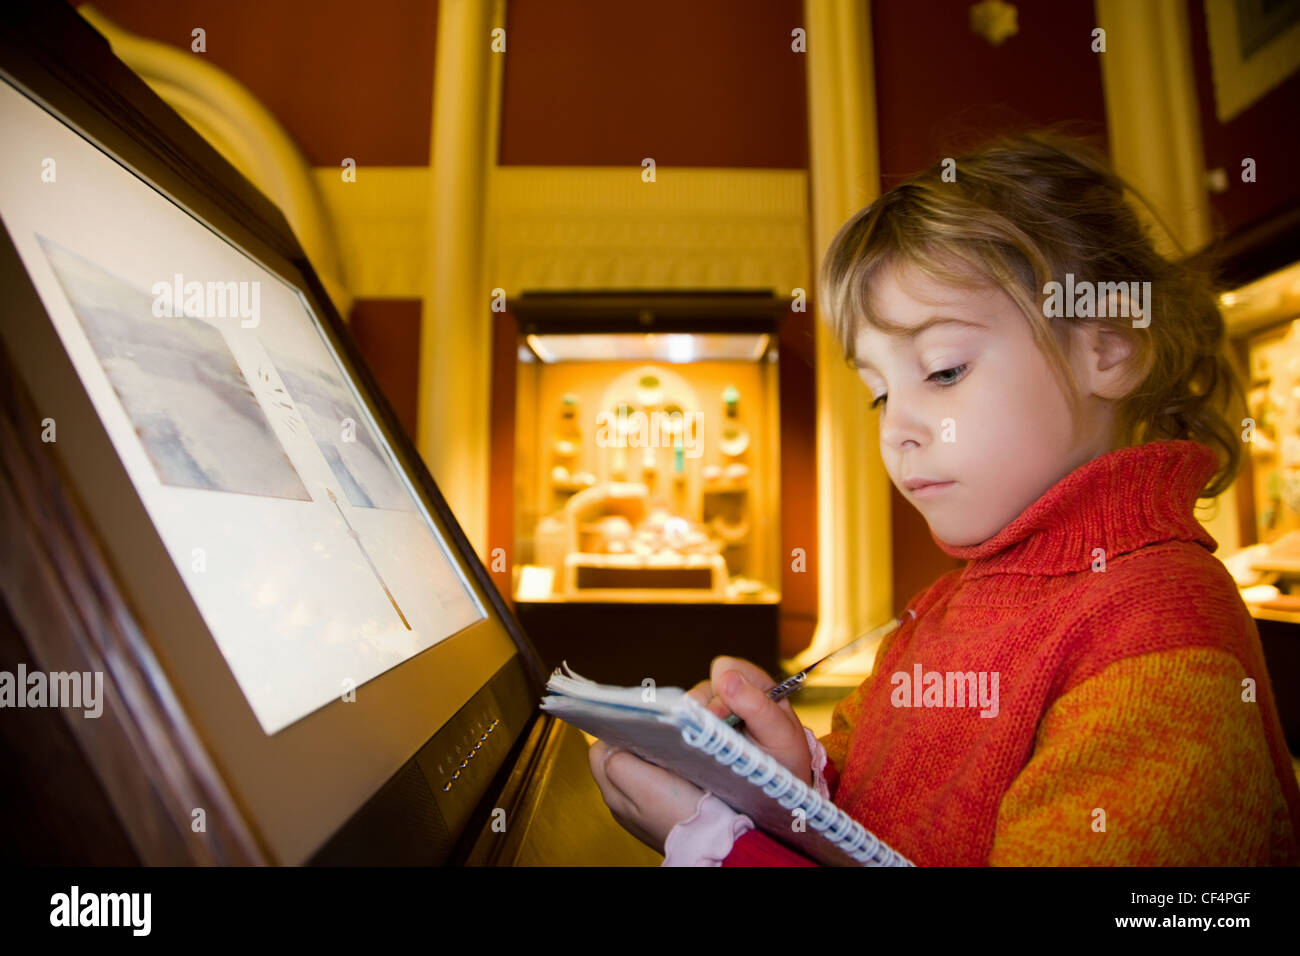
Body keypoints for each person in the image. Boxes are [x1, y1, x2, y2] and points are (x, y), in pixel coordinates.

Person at [588, 130, 1300, 865]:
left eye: (945, 370)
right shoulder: (945, 608)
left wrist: (728, 853)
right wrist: (791, 785)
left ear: (1109, 345)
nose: (897, 428)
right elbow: (879, 814)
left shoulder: (1159, 641)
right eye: (879, 394)